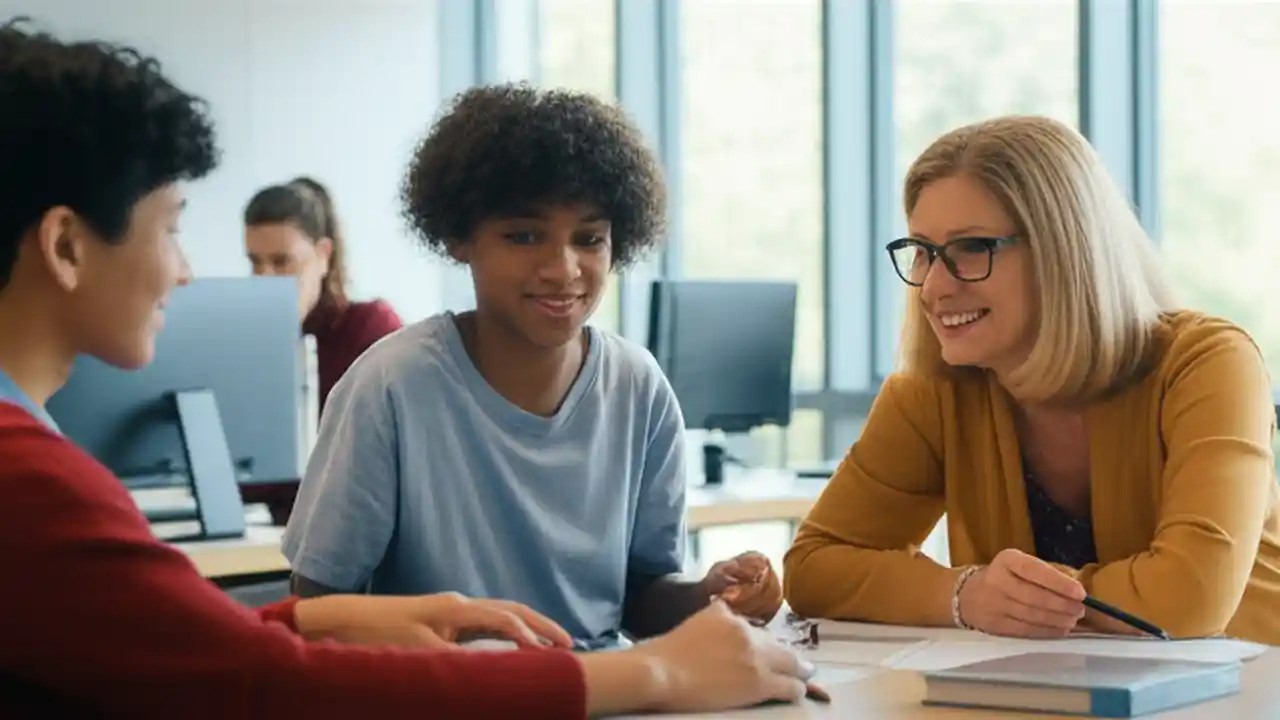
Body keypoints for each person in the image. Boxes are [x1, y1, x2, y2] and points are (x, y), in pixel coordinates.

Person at [0, 20, 817, 716]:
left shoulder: (31, 463)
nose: (185, 270)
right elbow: (257, 680)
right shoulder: (27, 480)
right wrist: (655, 672)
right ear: (67, 245)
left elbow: (209, 643)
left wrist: (333, 625)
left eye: (590, 238)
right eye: (173, 227)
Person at [283, 84, 785, 648]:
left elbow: (639, 597)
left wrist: (708, 596)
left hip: (609, 690)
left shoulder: (639, 388)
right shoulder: (391, 385)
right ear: (458, 237)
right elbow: (318, 605)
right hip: (451, 693)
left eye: (589, 239)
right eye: (524, 236)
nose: (563, 268)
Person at [783, 115, 1280, 644]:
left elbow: (1190, 597)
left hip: (1239, 689)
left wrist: (1021, 601)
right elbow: (814, 568)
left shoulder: (1208, 364)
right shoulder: (935, 390)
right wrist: (966, 594)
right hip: (1045, 692)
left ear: (1065, 250)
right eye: (924, 251)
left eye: (971, 247)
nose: (932, 287)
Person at [240, 178, 403, 524]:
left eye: (283, 262)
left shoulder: (369, 330)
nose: (265, 279)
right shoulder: (245, 348)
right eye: (255, 262)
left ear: (323, 255)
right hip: (270, 534)